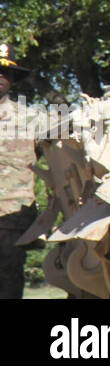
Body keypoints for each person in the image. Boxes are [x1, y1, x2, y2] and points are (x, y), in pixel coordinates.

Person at [0, 44, 37, 299]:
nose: (1, 77)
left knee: (9, 286)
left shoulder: (31, 119)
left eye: (6, 73)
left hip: (12, 218)